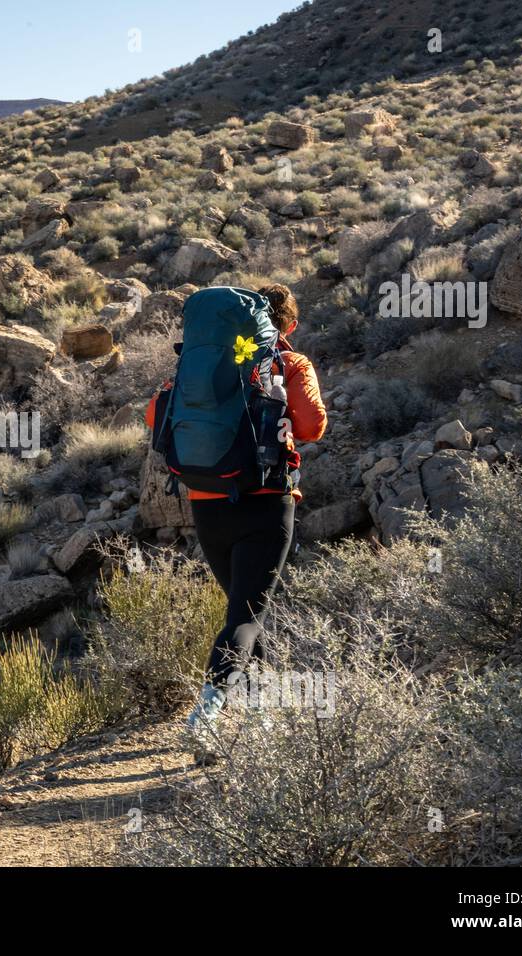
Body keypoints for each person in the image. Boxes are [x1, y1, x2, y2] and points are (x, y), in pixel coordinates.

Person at [144, 284, 327, 732]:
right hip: (266, 504)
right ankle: (207, 711)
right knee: (246, 616)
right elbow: (313, 426)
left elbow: (154, 415)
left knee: (245, 609)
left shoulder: (201, 366)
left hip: (208, 505)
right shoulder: (288, 363)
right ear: (289, 324)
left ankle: (263, 713)